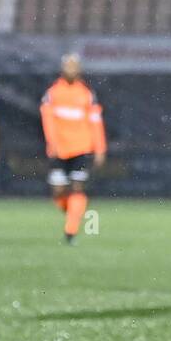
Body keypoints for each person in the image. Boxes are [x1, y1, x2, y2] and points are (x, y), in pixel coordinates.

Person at [40, 54, 106, 244]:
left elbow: (95, 122)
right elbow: (47, 121)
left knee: (77, 188)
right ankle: (74, 214)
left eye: (74, 65)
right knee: (58, 192)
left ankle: (71, 231)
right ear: (62, 68)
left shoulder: (86, 94)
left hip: (81, 148)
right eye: (68, 65)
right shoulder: (52, 93)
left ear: (79, 69)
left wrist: (99, 148)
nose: (71, 68)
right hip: (59, 149)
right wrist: (51, 143)